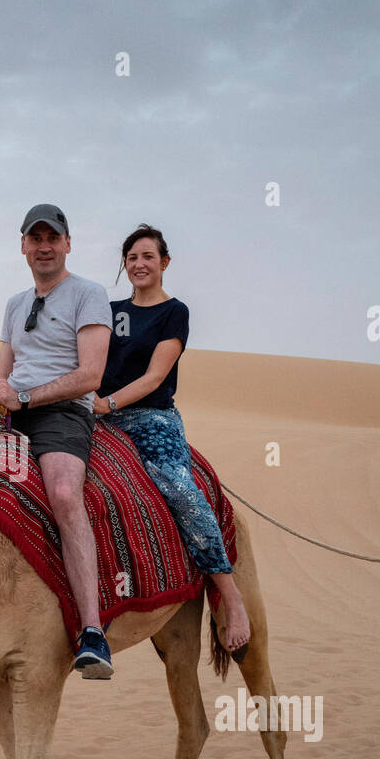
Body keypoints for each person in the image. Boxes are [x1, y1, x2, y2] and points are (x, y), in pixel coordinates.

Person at [0, 204, 115, 677]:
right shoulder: (14, 304)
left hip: (63, 413)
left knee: (66, 494)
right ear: (23, 246)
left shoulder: (89, 294)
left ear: (67, 244)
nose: (44, 246)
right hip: (13, 411)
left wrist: (22, 396)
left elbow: (90, 375)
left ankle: (93, 632)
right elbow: (4, 374)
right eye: (35, 238)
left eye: (53, 237)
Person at [93, 223, 250, 650]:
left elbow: (155, 376)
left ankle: (230, 596)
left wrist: (107, 405)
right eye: (131, 258)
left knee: (181, 490)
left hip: (149, 418)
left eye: (147, 256)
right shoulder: (108, 310)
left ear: (164, 262)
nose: (139, 264)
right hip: (97, 418)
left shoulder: (173, 312)